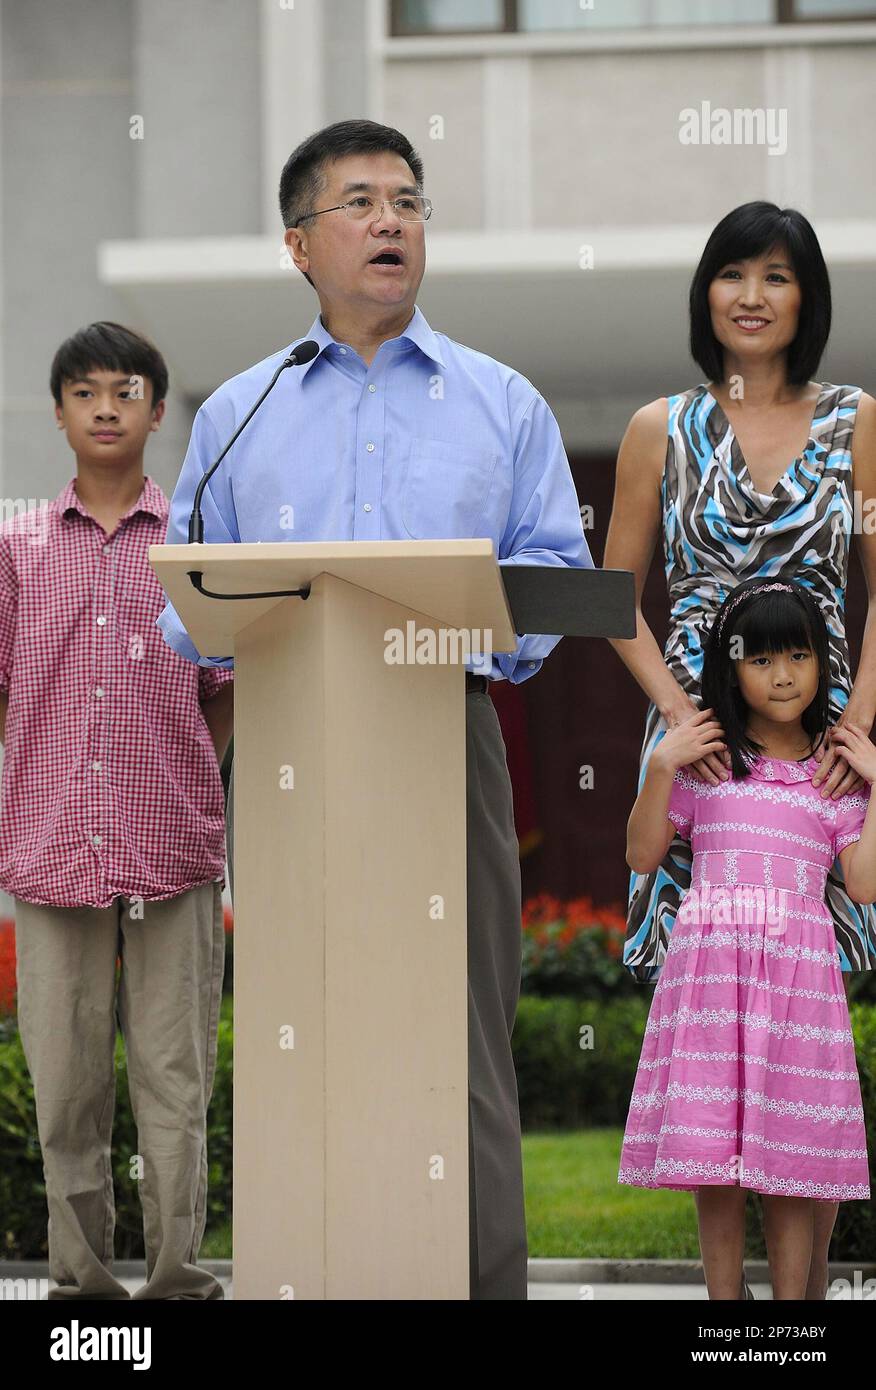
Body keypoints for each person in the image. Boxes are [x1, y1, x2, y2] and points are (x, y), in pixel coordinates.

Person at [155, 119, 592, 1300]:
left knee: (462, 1037)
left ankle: (477, 1284)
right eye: (360, 201)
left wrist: (468, 628)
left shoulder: (500, 401)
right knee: (304, 1020)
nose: (392, 219)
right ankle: (304, 1274)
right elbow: (179, 605)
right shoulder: (240, 411)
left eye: (408, 199)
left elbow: (554, 575)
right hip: (293, 747)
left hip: (445, 735)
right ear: (300, 244)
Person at [603, 201, 876, 1297]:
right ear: (704, 293)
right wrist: (677, 720)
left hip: (827, 743)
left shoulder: (859, 420)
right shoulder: (657, 427)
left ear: (806, 297)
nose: (752, 295)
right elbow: (612, 598)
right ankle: (729, 1306)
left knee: (810, 992)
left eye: (778, 274)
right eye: (732, 273)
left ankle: (801, 1294)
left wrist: (859, 726)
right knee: (714, 1003)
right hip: (699, 742)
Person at [1, 322, 234, 1300]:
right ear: (58, 412)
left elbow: (225, 687)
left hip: (172, 847)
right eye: (84, 391)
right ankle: (81, 1286)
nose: (105, 406)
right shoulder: (15, 545)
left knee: (176, 1081)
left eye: (125, 390)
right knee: (66, 1085)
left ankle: (179, 1278)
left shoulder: (193, 543)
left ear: (156, 408)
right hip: (53, 851)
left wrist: (182, 780)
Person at [620, 578, 872, 1300]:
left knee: (791, 1159)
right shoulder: (706, 762)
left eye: (798, 655)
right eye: (760, 659)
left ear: (822, 662)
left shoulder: (834, 779)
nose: (783, 674)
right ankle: (725, 1314)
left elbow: (864, 884)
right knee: (715, 1160)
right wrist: (661, 765)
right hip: (712, 983)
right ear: (730, 669)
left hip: (797, 990)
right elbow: (642, 856)